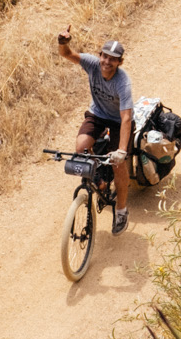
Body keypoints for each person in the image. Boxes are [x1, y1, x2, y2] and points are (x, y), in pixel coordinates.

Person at [57, 27, 133, 233]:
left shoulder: (122, 82)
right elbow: (66, 54)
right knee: (81, 147)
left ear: (120, 63)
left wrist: (122, 150)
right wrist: (63, 42)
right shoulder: (91, 64)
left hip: (118, 120)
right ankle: (99, 178)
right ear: (99, 55)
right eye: (105, 56)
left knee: (118, 165)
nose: (107, 62)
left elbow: (126, 117)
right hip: (97, 114)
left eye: (113, 59)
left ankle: (121, 210)